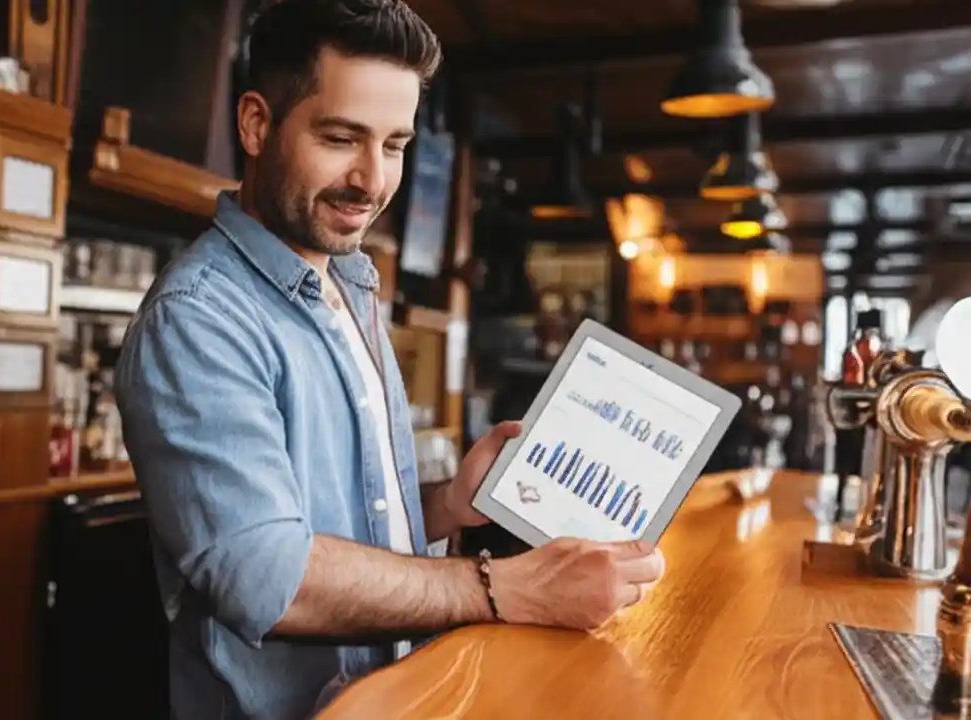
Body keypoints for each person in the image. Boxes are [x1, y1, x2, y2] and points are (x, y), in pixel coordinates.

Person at [115, 1, 665, 717]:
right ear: (256, 124)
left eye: (395, 145)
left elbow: (338, 523)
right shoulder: (199, 317)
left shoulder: (348, 281)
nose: (372, 181)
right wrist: (506, 587)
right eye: (341, 137)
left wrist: (443, 505)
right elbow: (265, 575)